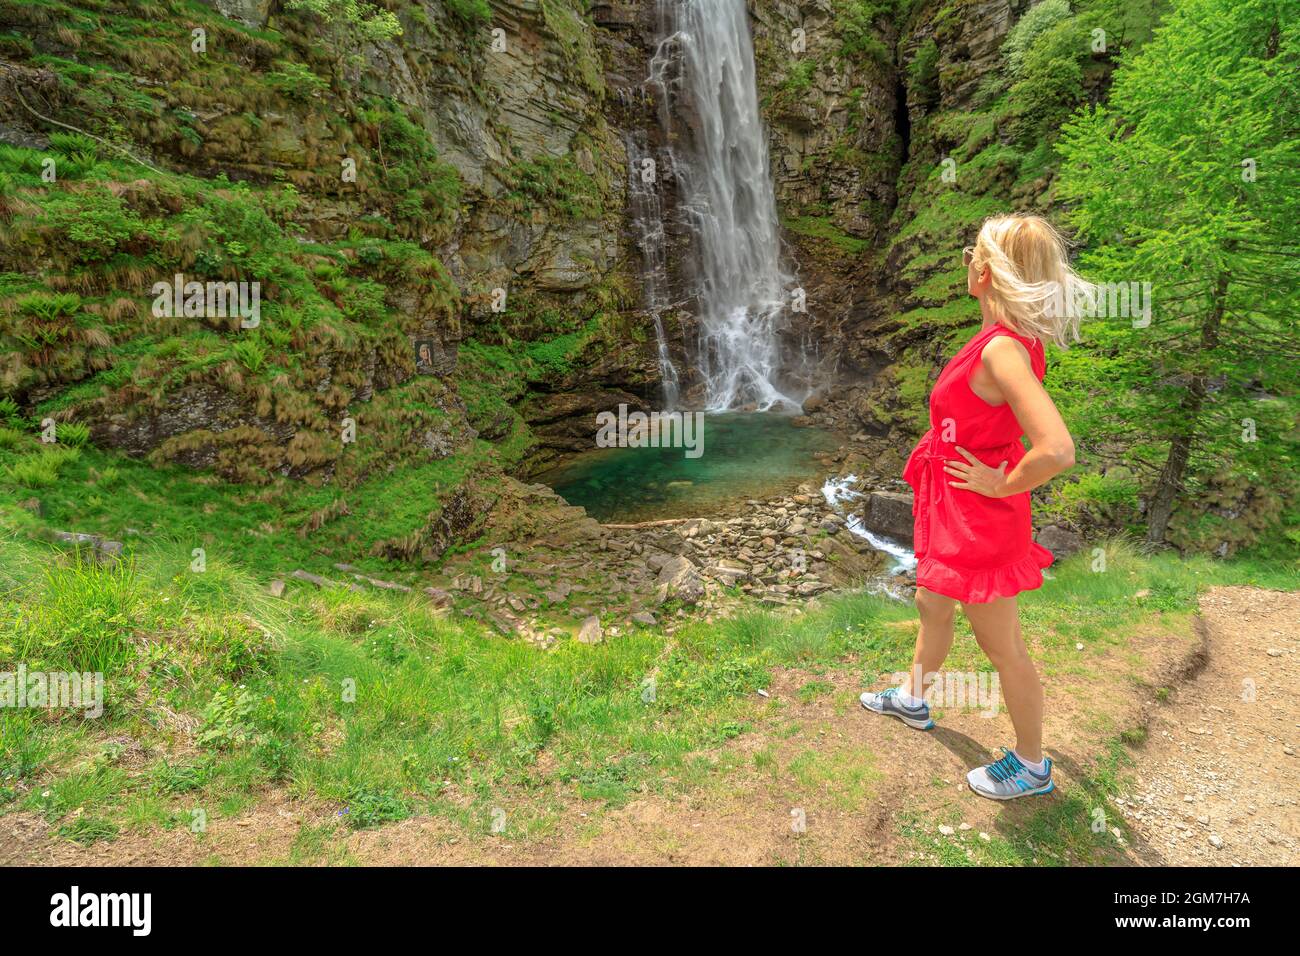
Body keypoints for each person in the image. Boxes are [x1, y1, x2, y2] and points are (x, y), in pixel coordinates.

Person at [861, 214, 1087, 800]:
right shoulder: (1003, 337)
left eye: (971, 253)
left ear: (984, 271)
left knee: (1002, 644)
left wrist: (1000, 483)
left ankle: (1032, 765)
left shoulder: (1004, 351)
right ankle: (914, 700)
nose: (966, 260)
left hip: (979, 516)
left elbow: (1057, 449)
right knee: (931, 602)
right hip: (952, 502)